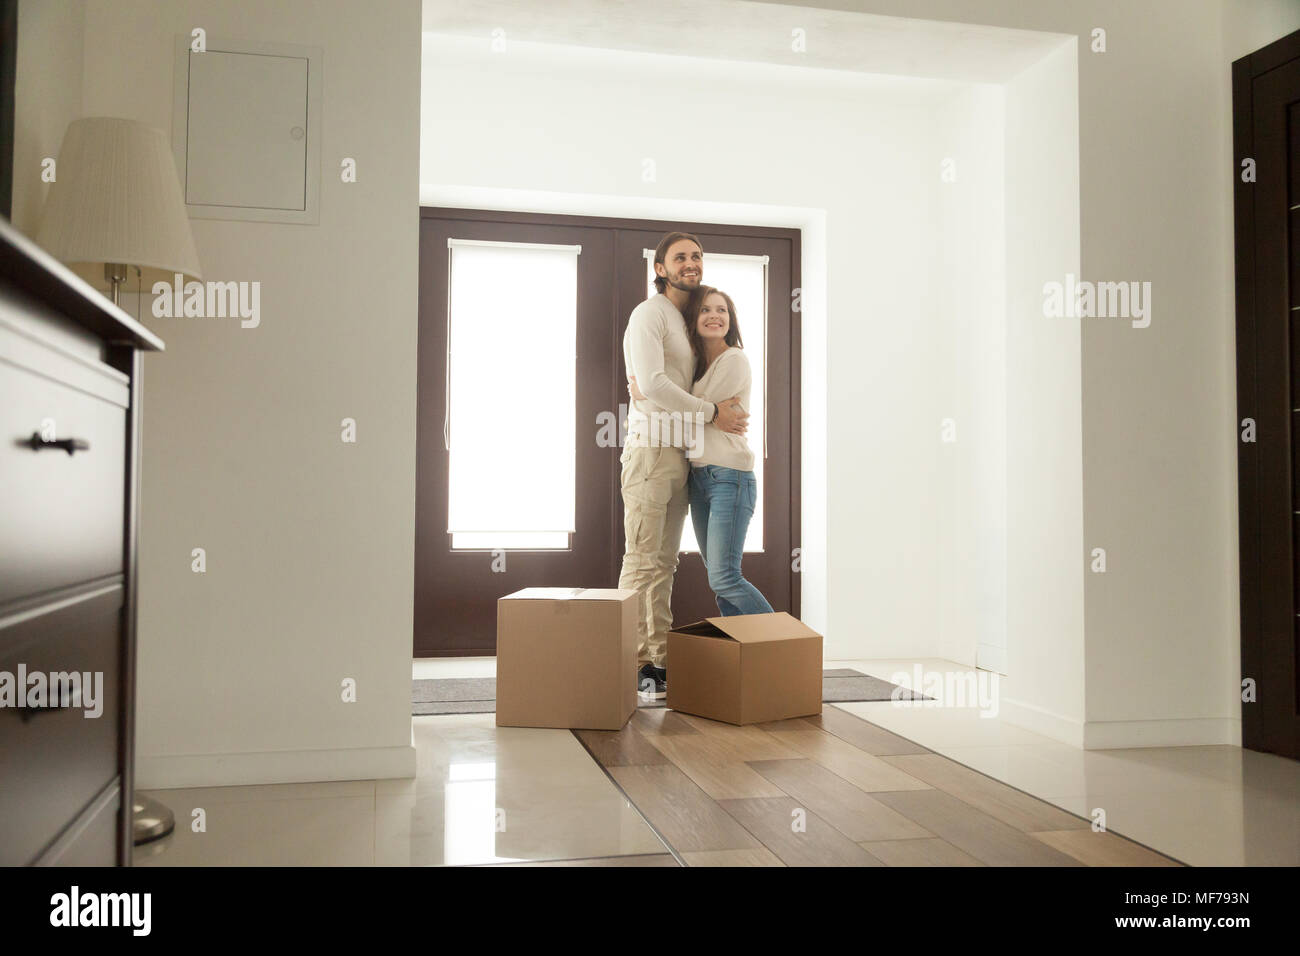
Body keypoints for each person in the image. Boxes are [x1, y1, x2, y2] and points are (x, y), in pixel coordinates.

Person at [619, 232, 748, 700]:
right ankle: (633, 663)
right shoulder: (648, 314)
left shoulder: (686, 319)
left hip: (680, 455)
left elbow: (666, 380)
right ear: (660, 268)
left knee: (665, 563)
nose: (690, 264)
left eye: (696, 256)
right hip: (650, 453)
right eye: (680, 258)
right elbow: (651, 382)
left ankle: (658, 661)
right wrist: (712, 413)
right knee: (642, 560)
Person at [632, 285, 772, 618]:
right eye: (706, 310)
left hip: (729, 478)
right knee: (718, 579)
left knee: (725, 577)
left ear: (731, 320)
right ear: (692, 320)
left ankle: (784, 650)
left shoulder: (734, 359)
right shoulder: (696, 368)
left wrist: (649, 390)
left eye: (722, 310)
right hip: (699, 478)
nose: (714, 316)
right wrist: (678, 398)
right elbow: (696, 408)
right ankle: (747, 657)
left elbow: (685, 408)